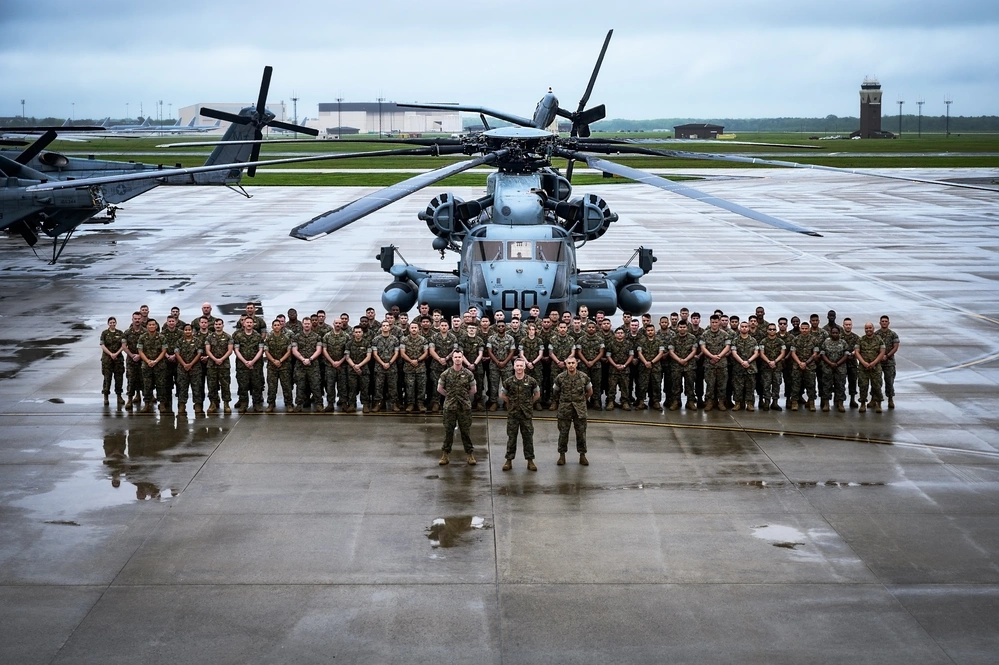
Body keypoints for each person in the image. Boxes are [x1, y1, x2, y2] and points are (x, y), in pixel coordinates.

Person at [438, 350, 477, 466]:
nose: (458, 359)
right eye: (455, 357)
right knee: (448, 431)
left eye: (460, 357)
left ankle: (470, 454)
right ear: (452, 359)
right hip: (449, 407)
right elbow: (439, 388)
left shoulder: (468, 374)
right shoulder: (446, 373)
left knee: (466, 431)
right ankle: (445, 454)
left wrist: (463, 397)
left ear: (462, 358)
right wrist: (450, 396)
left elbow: (473, 390)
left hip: (464, 407)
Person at [500, 358, 540, 471]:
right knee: (511, 438)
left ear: (524, 367)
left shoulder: (531, 381)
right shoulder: (508, 381)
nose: (519, 368)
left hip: (526, 414)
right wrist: (512, 403)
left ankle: (530, 460)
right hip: (513, 414)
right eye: (517, 366)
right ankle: (509, 460)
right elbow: (502, 395)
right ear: (514, 367)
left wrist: (528, 403)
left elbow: (537, 394)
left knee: (528, 438)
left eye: (521, 366)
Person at [552, 356, 593, 466]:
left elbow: (589, 391)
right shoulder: (560, 378)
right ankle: (562, 455)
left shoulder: (584, 377)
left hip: (579, 410)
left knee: (581, 433)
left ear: (576, 364)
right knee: (563, 433)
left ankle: (582, 455)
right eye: (569, 363)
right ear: (565, 364)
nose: (571, 365)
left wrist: (581, 400)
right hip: (564, 409)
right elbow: (555, 392)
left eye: (573, 363)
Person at [232, 315, 265, 413]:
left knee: (256, 385)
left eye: (251, 322)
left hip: (255, 365)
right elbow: (236, 350)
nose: (249, 324)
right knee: (243, 385)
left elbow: (261, 350)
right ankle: (243, 404)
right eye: (247, 322)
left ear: (253, 324)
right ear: (244, 324)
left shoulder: (258, 336)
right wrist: (245, 361)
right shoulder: (238, 336)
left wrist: (252, 361)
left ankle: (257, 404)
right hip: (242, 365)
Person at [699, 314, 730, 411]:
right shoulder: (705, 334)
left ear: (719, 322)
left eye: (716, 322)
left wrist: (719, 356)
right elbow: (703, 348)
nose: (714, 324)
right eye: (713, 322)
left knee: (722, 384)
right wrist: (712, 356)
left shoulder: (725, 334)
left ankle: (721, 402)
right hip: (710, 363)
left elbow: (727, 347)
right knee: (710, 384)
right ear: (710, 322)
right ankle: (709, 402)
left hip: (722, 364)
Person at [292, 317, 323, 412]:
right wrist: (303, 359)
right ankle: (299, 405)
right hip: (300, 366)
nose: (307, 325)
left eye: (308, 323)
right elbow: (294, 350)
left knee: (316, 385)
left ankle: (319, 404)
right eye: (305, 323)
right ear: (302, 324)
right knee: (300, 386)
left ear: (311, 324)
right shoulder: (296, 337)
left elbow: (319, 350)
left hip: (313, 366)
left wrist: (310, 359)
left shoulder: (317, 336)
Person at [137, 319, 168, 413]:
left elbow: (164, 351)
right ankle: (147, 404)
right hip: (146, 365)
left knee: (161, 385)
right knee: (147, 385)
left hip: (159, 365)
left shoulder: (162, 337)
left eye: (153, 325)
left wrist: (155, 361)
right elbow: (140, 351)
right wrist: (147, 361)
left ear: (156, 326)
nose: (151, 326)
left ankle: (162, 404)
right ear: (146, 326)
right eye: (149, 325)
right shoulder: (142, 337)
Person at [264, 319, 294, 412]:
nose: (277, 326)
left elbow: (289, 351)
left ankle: (289, 403)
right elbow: (266, 351)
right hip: (272, 366)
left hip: (284, 366)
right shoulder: (268, 338)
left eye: (278, 325)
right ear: (272, 327)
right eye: (275, 325)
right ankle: (271, 403)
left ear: (281, 326)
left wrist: (280, 360)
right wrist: (273, 361)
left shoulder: (286, 338)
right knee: (272, 386)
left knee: (286, 386)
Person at [486, 322, 517, 411]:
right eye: (499, 326)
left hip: (507, 365)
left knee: (507, 384)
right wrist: (497, 362)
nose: (501, 327)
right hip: (494, 365)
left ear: (506, 327)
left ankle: (506, 402)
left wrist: (504, 362)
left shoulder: (510, 338)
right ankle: (494, 402)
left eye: (502, 326)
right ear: (496, 327)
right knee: (493, 385)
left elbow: (512, 351)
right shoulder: (491, 338)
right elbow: (489, 351)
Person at [205, 318, 233, 415]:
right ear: (214, 326)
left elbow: (230, 350)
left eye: (219, 324)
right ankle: (213, 403)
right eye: (216, 324)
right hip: (212, 365)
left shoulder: (228, 337)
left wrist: (221, 359)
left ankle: (226, 404)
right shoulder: (209, 337)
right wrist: (215, 359)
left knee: (225, 384)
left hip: (224, 365)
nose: (218, 326)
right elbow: (208, 350)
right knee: (212, 385)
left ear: (223, 325)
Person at [175, 323, 204, 417]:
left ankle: (198, 404)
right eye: (186, 330)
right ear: (183, 331)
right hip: (182, 368)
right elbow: (177, 354)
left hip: (195, 368)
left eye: (189, 330)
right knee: (182, 387)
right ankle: (182, 405)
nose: (188, 331)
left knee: (197, 387)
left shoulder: (198, 341)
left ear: (193, 331)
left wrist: (191, 364)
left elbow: (199, 354)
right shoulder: (179, 341)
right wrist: (184, 364)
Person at [855, 322, 886, 413]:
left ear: (873, 328)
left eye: (870, 328)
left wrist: (874, 363)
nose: (868, 330)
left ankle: (878, 403)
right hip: (863, 368)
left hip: (875, 368)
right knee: (863, 386)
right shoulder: (860, 340)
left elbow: (882, 352)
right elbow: (857, 352)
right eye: (866, 328)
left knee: (877, 386)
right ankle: (863, 403)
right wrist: (863, 362)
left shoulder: (879, 340)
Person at [729, 321, 760, 411]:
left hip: (750, 368)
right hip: (738, 368)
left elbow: (756, 353)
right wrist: (742, 362)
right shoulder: (735, 340)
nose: (744, 328)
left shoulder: (753, 340)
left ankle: (749, 404)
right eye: (742, 326)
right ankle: (738, 403)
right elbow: (734, 353)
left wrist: (748, 361)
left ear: (749, 328)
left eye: (746, 326)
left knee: (750, 387)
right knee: (738, 387)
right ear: (740, 328)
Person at [399, 322, 429, 413]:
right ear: (409, 329)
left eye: (415, 327)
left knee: (421, 387)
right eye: (412, 327)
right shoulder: (404, 340)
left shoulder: (423, 340)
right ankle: (410, 403)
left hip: (421, 367)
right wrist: (411, 361)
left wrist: (418, 360)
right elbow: (402, 353)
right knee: (409, 387)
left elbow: (426, 352)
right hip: (409, 367)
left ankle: (420, 403)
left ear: (418, 328)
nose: (414, 329)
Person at [668, 320, 698, 410]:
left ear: (687, 328)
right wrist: (679, 360)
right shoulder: (673, 338)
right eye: (680, 327)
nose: (682, 329)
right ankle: (676, 402)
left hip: (689, 365)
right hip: (676, 365)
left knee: (690, 384)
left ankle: (690, 402)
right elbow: (671, 351)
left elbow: (694, 350)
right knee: (676, 385)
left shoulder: (692, 338)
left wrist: (686, 359)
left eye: (684, 327)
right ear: (678, 328)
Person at [820, 325, 850, 412]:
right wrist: (830, 363)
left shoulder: (843, 342)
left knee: (840, 386)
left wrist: (837, 363)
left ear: (839, 333)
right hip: (827, 367)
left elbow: (846, 354)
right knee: (826, 386)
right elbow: (822, 354)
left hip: (840, 368)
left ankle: (840, 403)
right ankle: (826, 403)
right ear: (830, 333)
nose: (835, 334)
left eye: (836, 333)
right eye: (833, 333)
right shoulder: (826, 342)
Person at [758, 322, 786, 411]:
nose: (772, 331)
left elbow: (783, 353)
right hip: (766, 367)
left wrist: (775, 361)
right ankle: (766, 401)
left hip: (777, 367)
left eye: (774, 329)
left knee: (776, 384)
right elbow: (761, 353)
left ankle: (775, 402)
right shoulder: (763, 341)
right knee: (766, 385)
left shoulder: (780, 341)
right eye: (770, 329)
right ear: (767, 330)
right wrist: (769, 362)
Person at [635, 324, 664, 410]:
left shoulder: (659, 341)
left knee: (656, 385)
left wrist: (651, 362)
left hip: (656, 367)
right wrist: (645, 362)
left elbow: (661, 353)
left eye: (652, 330)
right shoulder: (641, 341)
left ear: (654, 331)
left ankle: (656, 402)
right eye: (648, 330)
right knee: (642, 385)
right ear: (646, 331)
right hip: (644, 367)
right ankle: (641, 402)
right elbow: (639, 353)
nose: (650, 332)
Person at [99, 316, 126, 407]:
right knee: (107, 378)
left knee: (119, 379)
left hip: (118, 359)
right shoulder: (104, 333)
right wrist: (111, 354)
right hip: (107, 359)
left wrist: (116, 353)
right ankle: (106, 396)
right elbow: (102, 345)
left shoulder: (120, 333)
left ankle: (119, 396)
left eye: (114, 322)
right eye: (110, 322)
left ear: (116, 323)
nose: (112, 324)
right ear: (108, 323)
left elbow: (123, 345)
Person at [344, 326, 372, 413]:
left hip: (364, 369)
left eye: (359, 332)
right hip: (352, 370)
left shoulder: (367, 343)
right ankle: (352, 405)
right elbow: (347, 357)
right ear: (353, 333)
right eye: (356, 332)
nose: (358, 334)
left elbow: (368, 357)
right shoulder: (349, 344)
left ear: (362, 333)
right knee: (352, 388)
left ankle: (365, 405)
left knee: (364, 388)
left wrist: (359, 366)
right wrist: (354, 366)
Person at [123, 312, 145, 411]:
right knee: (131, 380)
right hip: (131, 360)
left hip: (142, 360)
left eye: (138, 318)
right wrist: (132, 355)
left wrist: (140, 356)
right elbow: (124, 346)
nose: (137, 320)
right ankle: (129, 400)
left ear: (141, 319)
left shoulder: (145, 332)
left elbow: (148, 346)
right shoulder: (127, 332)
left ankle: (145, 400)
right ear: (132, 319)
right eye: (135, 318)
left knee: (143, 380)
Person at [877, 315, 900, 409]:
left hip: (889, 362)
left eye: (886, 321)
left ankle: (890, 398)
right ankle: (875, 399)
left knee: (889, 381)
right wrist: (880, 357)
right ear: (880, 323)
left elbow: (896, 346)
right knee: (877, 382)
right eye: (882, 321)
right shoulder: (876, 334)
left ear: (888, 323)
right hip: (878, 362)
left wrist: (887, 355)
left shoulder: (893, 334)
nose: (884, 322)